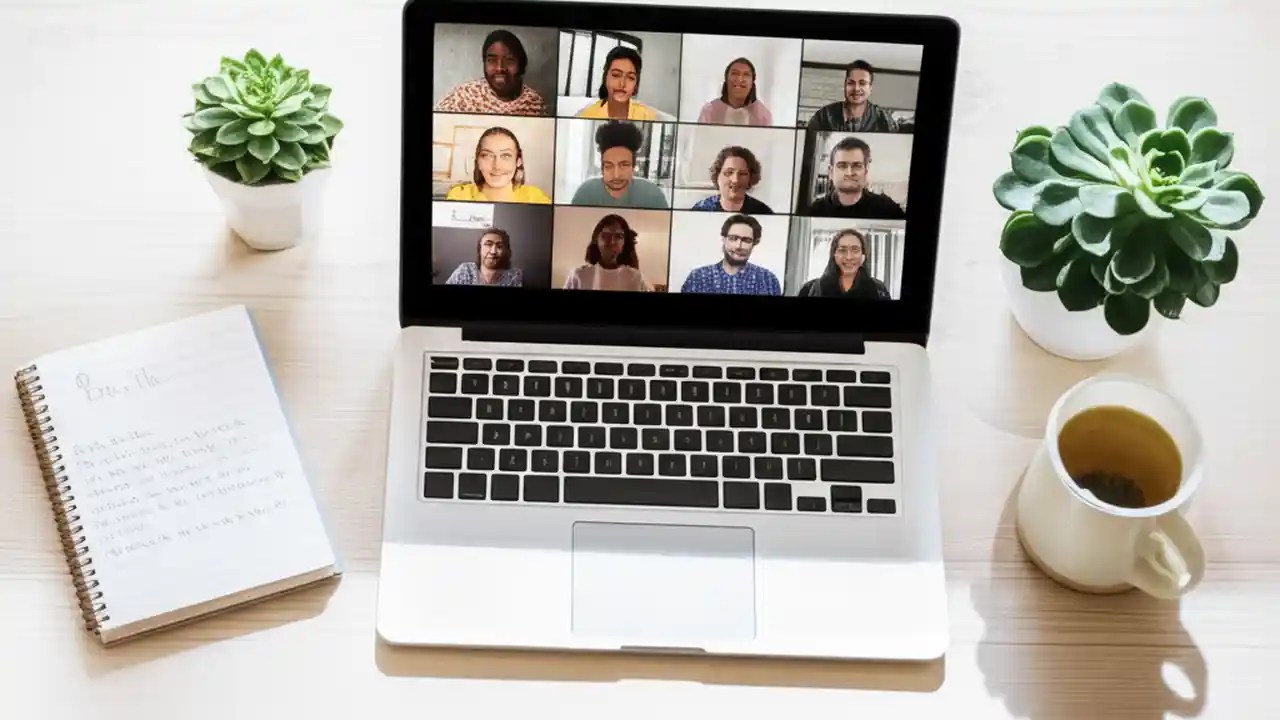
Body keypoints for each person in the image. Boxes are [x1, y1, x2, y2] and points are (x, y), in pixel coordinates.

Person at [434, 30, 548, 116]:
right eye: (492, 60)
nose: (499, 68)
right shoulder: (466, 96)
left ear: (521, 65)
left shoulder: (535, 103)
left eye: (509, 60)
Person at [570, 121, 669, 208]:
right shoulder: (586, 193)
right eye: (609, 166)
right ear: (602, 168)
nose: (616, 175)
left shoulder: (652, 196)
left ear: (633, 167)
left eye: (624, 165)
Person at [804, 135, 905, 218]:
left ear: (865, 171)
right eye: (842, 166)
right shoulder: (814, 211)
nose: (849, 172)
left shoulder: (887, 208)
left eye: (857, 166)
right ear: (831, 172)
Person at [680, 214, 781, 296]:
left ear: (754, 243)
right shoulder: (698, 278)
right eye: (733, 238)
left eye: (746, 240)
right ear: (724, 239)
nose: (738, 246)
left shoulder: (768, 280)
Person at [445, 127, 551, 204]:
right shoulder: (459, 195)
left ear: (518, 161)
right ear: (478, 161)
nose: (497, 166)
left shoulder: (536, 197)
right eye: (487, 155)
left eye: (505, 156)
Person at [563, 214, 653, 291]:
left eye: (619, 236)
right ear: (596, 240)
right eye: (606, 235)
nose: (612, 242)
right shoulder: (578, 276)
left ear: (625, 243)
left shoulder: (637, 278)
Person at [806, 60, 900, 133]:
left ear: (870, 87)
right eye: (851, 83)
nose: (856, 88)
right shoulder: (824, 116)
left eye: (862, 83)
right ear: (845, 85)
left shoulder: (883, 119)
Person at [797, 228, 891, 299]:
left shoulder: (879, 289)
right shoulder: (810, 289)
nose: (849, 257)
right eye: (842, 250)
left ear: (863, 256)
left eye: (855, 250)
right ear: (834, 255)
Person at [577, 46, 658, 121]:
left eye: (630, 78)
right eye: (616, 75)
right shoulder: (587, 116)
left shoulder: (648, 117)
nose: (622, 84)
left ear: (636, 83)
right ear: (605, 77)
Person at [691, 146, 773, 214]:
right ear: (717, 176)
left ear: (751, 178)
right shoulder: (700, 210)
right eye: (729, 172)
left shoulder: (763, 212)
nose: (735, 180)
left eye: (742, 174)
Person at [696, 58, 774, 126]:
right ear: (726, 79)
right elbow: (700, 140)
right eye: (735, 73)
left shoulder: (763, 115)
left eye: (746, 74)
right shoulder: (709, 111)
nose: (740, 79)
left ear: (752, 83)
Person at [445, 228, 523, 286]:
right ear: (480, 249)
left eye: (499, 246)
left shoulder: (514, 276)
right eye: (488, 244)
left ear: (506, 251)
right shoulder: (465, 270)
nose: (493, 251)